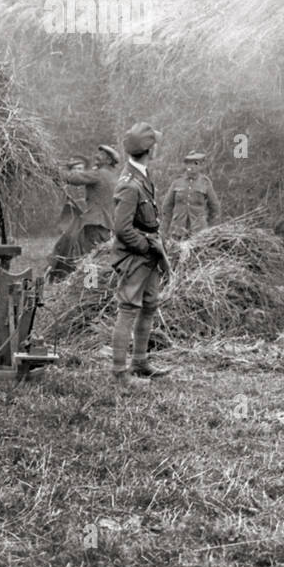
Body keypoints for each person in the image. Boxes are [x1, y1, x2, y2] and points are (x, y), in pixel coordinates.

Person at [110, 124, 171, 381]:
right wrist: (147, 246)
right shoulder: (130, 184)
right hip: (136, 256)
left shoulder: (142, 176)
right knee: (128, 310)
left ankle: (140, 362)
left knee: (149, 306)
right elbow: (122, 229)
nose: (157, 147)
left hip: (148, 256)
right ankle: (118, 371)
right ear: (148, 149)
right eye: (154, 144)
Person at [50, 145, 122, 280]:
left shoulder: (99, 174)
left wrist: (55, 169)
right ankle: (93, 286)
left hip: (95, 222)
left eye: (100, 155)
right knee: (98, 256)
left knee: (90, 256)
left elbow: (73, 178)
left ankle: (89, 286)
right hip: (106, 224)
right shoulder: (112, 175)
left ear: (107, 160)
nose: (96, 157)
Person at [161, 151, 222, 240]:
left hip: (199, 232)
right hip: (178, 230)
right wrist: (165, 229)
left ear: (200, 166)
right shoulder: (177, 182)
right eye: (189, 164)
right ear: (185, 165)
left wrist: (209, 229)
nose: (192, 167)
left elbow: (215, 208)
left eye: (195, 164)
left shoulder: (205, 183)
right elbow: (167, 206)